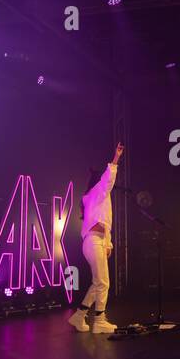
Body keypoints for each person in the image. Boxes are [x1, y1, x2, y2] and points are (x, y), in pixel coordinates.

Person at [68, 142, 124, 333]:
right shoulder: (99, 192)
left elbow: (105, 222)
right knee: (103, 282)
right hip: (94, 241)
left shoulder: (92, 197)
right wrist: (116, 158)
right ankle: (99, 321)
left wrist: (108, 242)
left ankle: (79, 316)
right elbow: (108, 179)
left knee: (98, 282)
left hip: (93, 241)